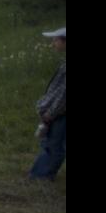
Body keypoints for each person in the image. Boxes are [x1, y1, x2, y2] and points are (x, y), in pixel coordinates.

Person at [31, 27, 66, 182]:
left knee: (53, 145)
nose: (53, 43)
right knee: (51, 143)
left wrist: (50, 113)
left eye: (56, 40)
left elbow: (64, 96)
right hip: (58, 112)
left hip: (60, 113)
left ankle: (42, 177)